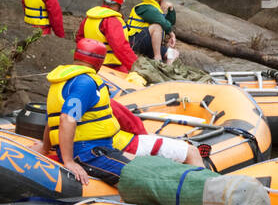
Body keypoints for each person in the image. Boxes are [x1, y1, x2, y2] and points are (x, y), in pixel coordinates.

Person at [43, 39, 198, 185]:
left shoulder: (61, 81)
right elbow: (67, 119)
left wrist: (45, 147)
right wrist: (68, 161)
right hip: (89, 152)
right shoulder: (86, 83)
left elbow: (53, 121)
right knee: (150, 179)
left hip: (100, 148)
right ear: (99, 62)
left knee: (153, 167)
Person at [76, 0, 139, 72]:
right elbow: (121, 47)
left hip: (89, 63)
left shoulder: (89, 17)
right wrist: (136, 67)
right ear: (119, 4)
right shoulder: (111, 20)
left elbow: (79, 38)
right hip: (110, 66)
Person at [124, 0, 179, 64]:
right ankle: (158, 59)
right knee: (157, 27)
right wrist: (172, 34)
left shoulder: (156, 10)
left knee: (173, 53)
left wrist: (171, 10)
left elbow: (170, 23)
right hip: (135, 42)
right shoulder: (147, 8)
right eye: (163, 0)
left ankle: (165, 69)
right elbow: (164, 24)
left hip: (148, 46)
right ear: (160, 1)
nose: (164, 2)